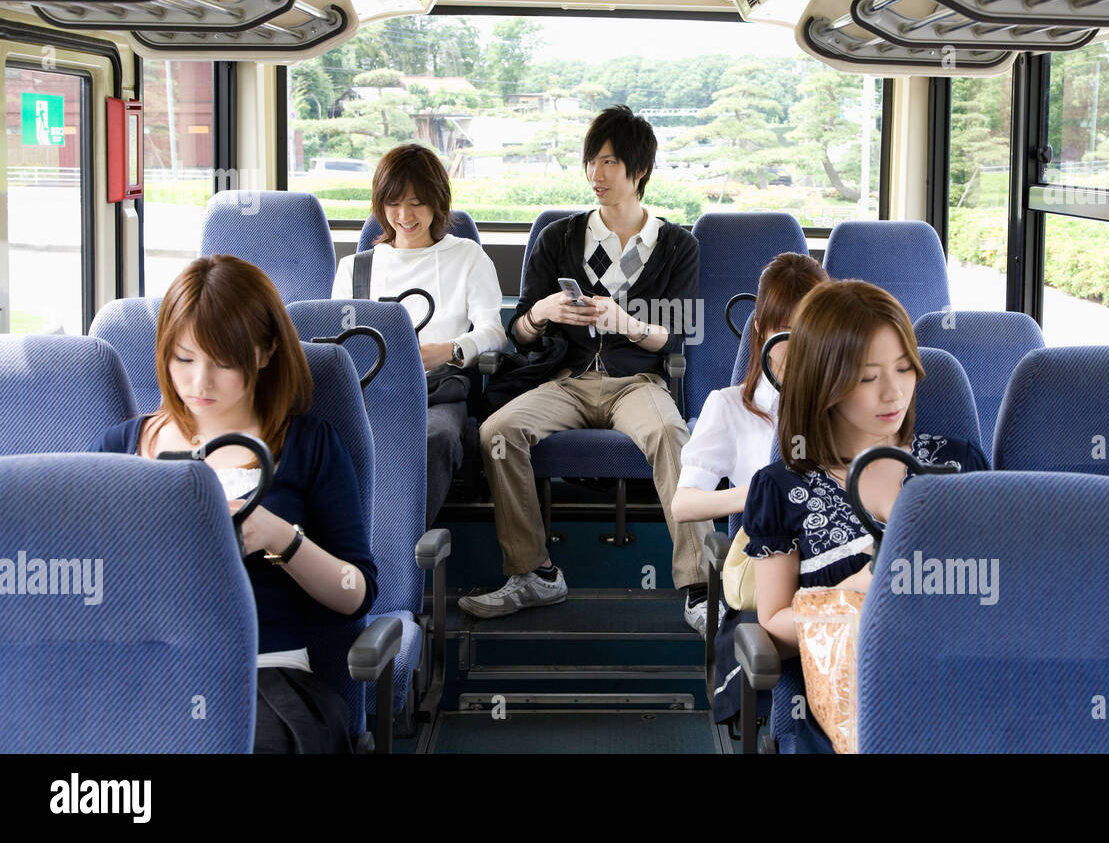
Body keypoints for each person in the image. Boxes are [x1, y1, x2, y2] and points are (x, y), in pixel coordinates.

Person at [96, 255, 378, 754]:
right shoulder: (121, 446)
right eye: (184, 359)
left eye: (223, 363)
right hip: (142, 673)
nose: (199, 383)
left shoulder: (309, 445)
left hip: (266, 673)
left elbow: (355, 592)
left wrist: (279, 538)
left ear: (266, 352)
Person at [461, 105, 708, 630]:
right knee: (498, 431)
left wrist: (625, 322)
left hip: (635, 381)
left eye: (610, 163)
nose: (596, 175)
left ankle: (698, 584)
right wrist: (540, 313)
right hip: (566, 379)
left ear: (639, 171)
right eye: (591, 162)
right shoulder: (559, 238)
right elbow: (519, 334)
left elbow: (675, 335)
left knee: (670, 433)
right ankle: (534, 574)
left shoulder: (676, 245)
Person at [741, 279, 988, 753]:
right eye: (868, 377)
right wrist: (857, 591)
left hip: (960, 691)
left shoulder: (959, 466)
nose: (894, 392)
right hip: (854, 706)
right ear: (824, 381)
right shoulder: (782, 488)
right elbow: (772, 624)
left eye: (904, 368)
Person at [669, 252, 830, 702]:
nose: (800, 348)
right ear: (761, 330)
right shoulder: (730, 407)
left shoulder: (851, 404)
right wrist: (762, 492)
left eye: (813, 331)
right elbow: (685, 504)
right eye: (786, 334)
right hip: (775, 566)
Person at [332, 143, 507, 525]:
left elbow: (494, 332)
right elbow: (336, 344)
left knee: (434, 439)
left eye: (416, 203)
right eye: (393, 203)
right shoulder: (355, 269)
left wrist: (448, 351)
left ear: (437, 202)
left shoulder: (467, 257)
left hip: (440, 392)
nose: (404, 216)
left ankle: (399, 549)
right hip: (370, 392)